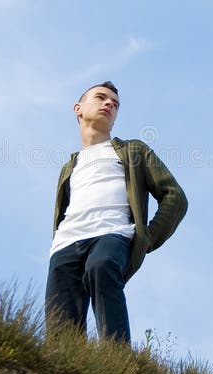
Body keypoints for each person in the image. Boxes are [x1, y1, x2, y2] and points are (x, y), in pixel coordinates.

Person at [45, 81, 187, 343]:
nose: (109, 104)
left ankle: (117, 360)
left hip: (113, 234)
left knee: (101, 266)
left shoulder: (133, 150)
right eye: (101, 98)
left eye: (115, 103)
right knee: (60, 329)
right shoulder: (69, 167)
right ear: (78, 109)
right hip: (66, 243)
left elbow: (175, 197)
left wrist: (144, 238)